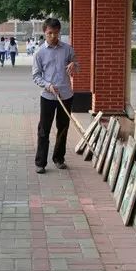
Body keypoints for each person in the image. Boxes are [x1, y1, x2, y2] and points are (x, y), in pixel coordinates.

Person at [31, 17, 79, 174]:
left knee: (63, 128)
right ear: (45, 32)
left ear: (59, 33)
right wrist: (48, 86)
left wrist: (74, 65)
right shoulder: (39, 53)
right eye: (50, 33)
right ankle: (40, 162)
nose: (53, 36)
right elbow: (36, 76)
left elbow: (76, 65)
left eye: (56, 33)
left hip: (66, 95)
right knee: (44, 129)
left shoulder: (67, 49)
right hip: (48, 96)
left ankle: (59, 158)